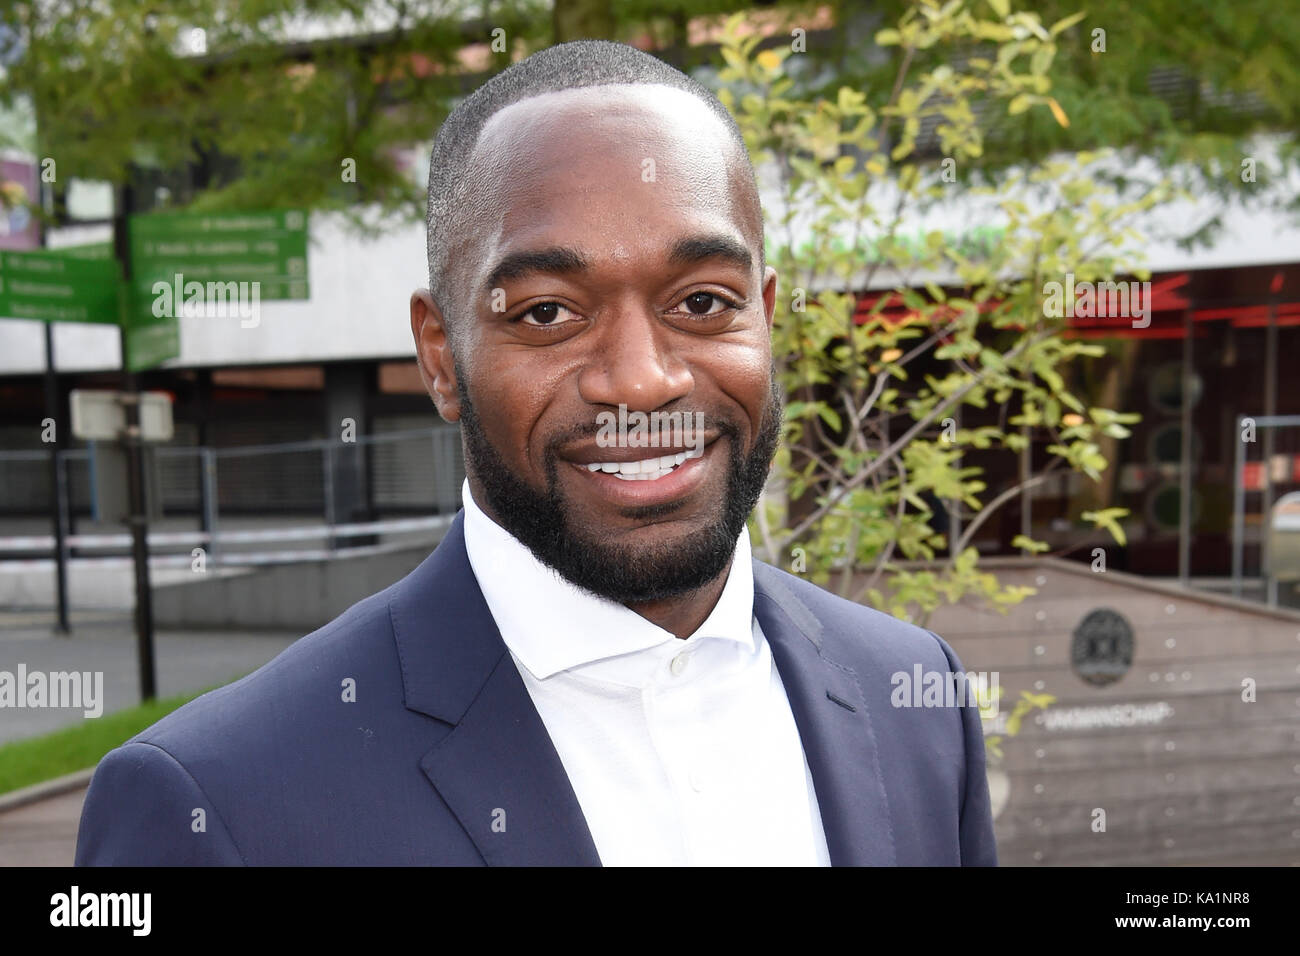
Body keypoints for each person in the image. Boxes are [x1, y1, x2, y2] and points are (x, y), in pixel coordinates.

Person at [76, 39, 996, 866]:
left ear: (765, 313)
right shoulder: (220, 801)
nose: (641, 383)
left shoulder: (913, 699)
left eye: (705, 301)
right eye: (547, 312)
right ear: (441, 359)